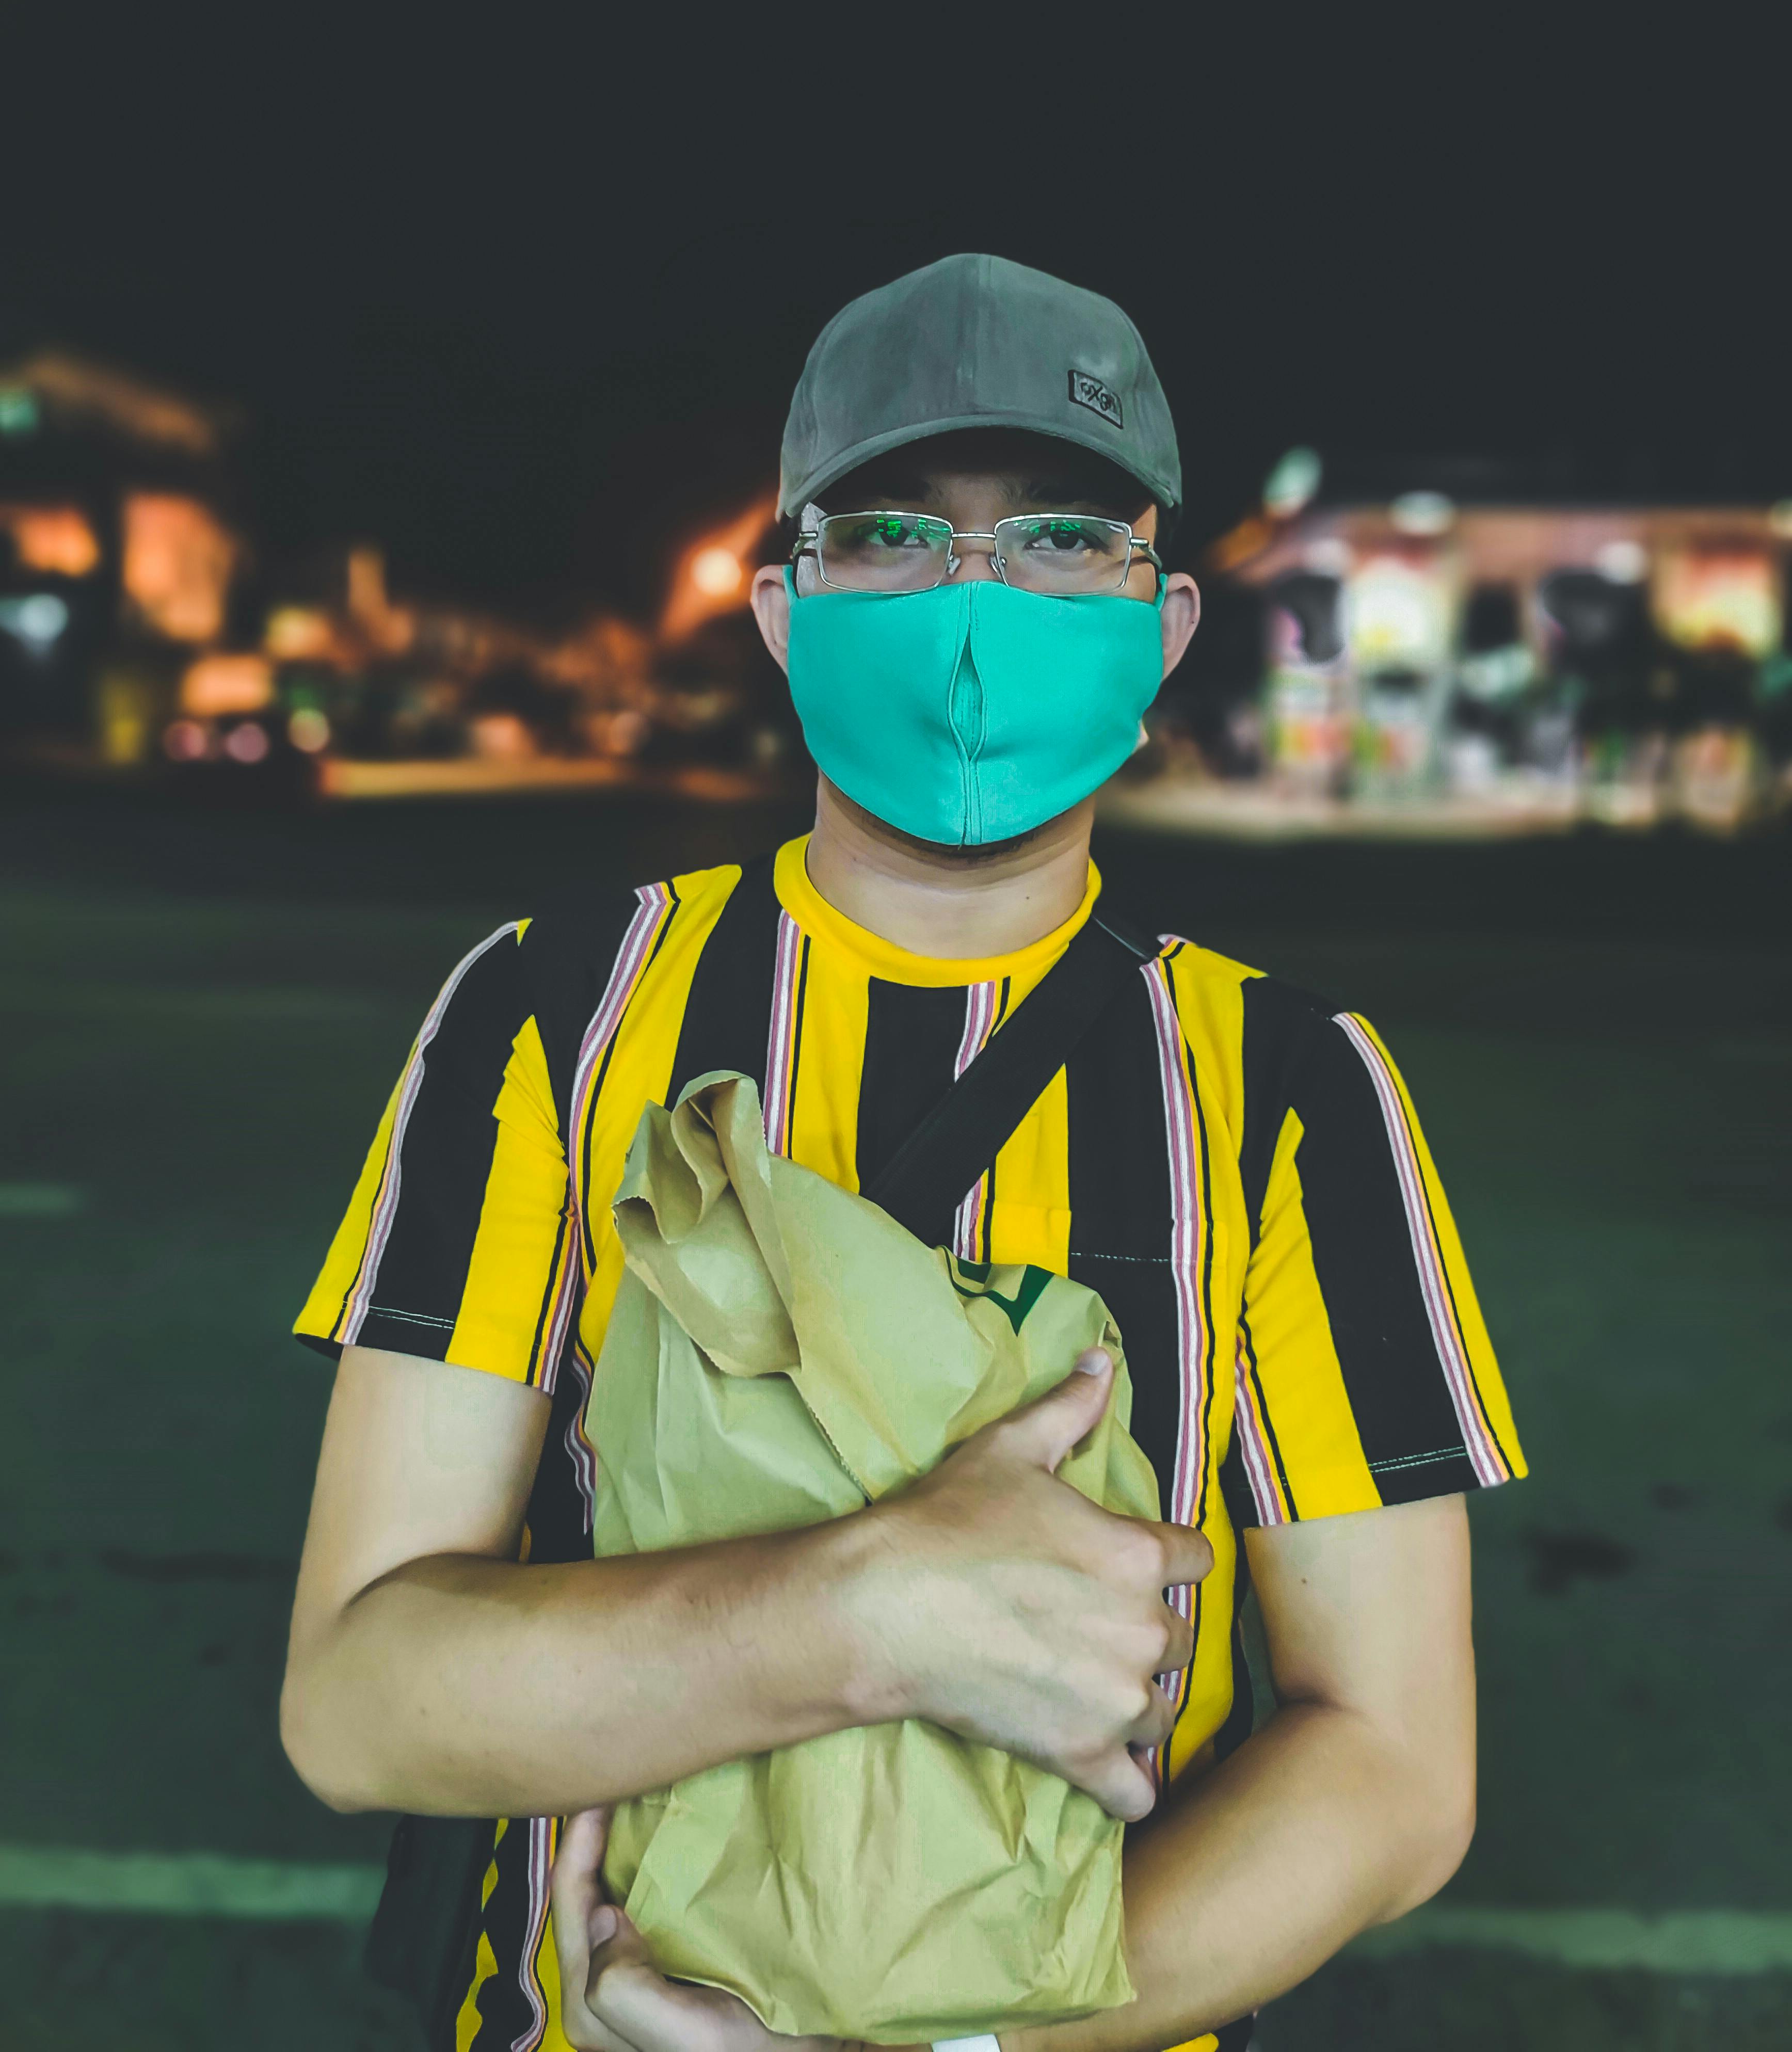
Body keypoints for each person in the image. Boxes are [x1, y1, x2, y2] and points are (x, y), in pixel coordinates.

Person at [282, 254, 1526, 2052]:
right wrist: (852, 1614)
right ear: (784, 612)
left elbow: (1394, 1765)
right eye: (888, 538)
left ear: (1162, 623)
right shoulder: (549, 1013)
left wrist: (962, 2047)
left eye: (1057, 540)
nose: (971, 600)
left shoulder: (1294, 1087)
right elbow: (358, 1701)